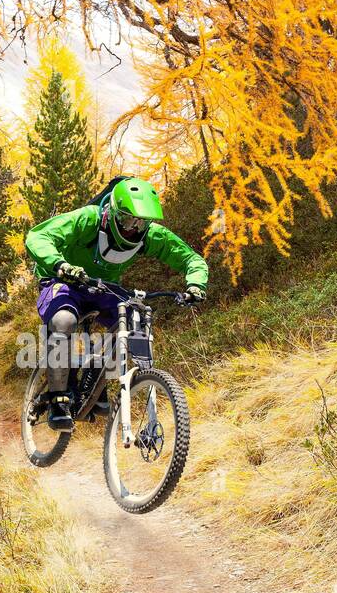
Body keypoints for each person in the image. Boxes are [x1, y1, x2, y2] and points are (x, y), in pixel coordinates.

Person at [24, 177, 208, 430]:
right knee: (63, 321)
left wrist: (196, 285)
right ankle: (58, 399)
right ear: (111, 211)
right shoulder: (88, 219)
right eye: (126, 219)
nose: (133, 228)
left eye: (141, 222)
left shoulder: (149, 236)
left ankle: (95, 379)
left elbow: (190, 259)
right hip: (62, 278)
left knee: (133, 322)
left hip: (104, 286)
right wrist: (59, 264)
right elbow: (39, 236)